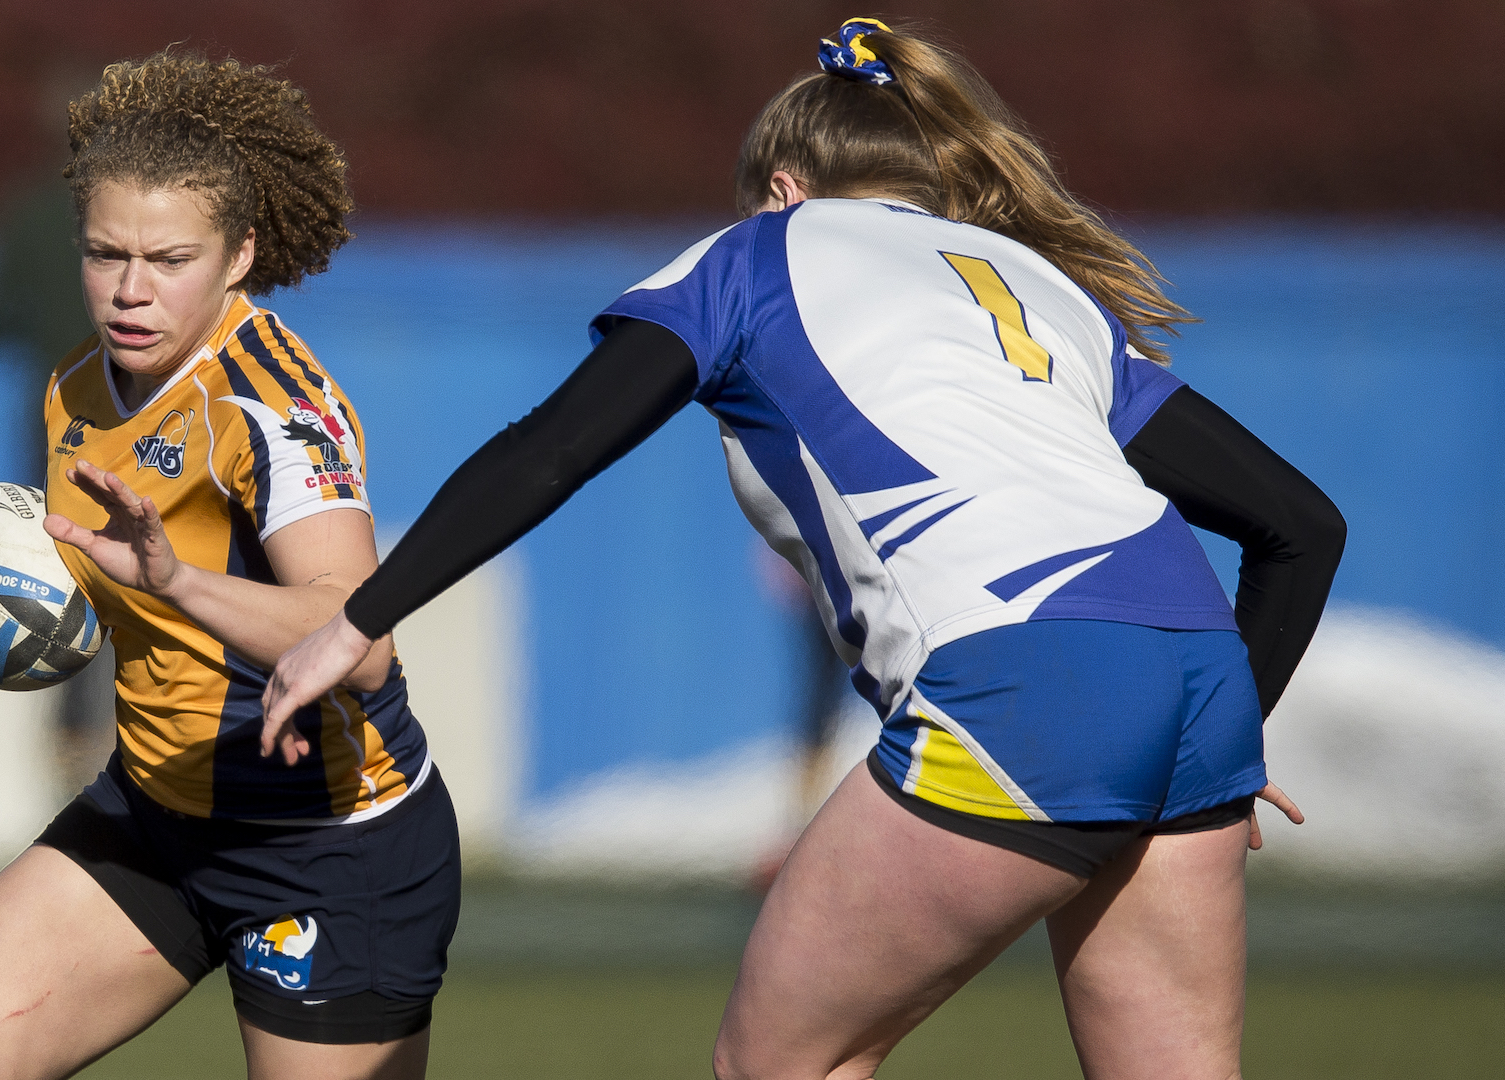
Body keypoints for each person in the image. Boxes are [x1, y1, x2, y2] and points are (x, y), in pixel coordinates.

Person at [264, 18, 1345, 1079]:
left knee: (783, 1061)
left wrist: (358, 617)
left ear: (782, 185)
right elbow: (1301, 526)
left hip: (1025, 670)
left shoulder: (751, 257)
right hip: (1201, 680)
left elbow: (548, 451)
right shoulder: (1035, 286)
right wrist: (1218, 741)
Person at [0, 50, 457, 1080]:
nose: (131, 291)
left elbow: (359, 643)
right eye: (105, 255)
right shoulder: (76, 390)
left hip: (324, 844)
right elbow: (82, 606)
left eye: (169, 260)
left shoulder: (275, 407)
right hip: (155, 807)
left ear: (238, 256)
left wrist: (178, 581)